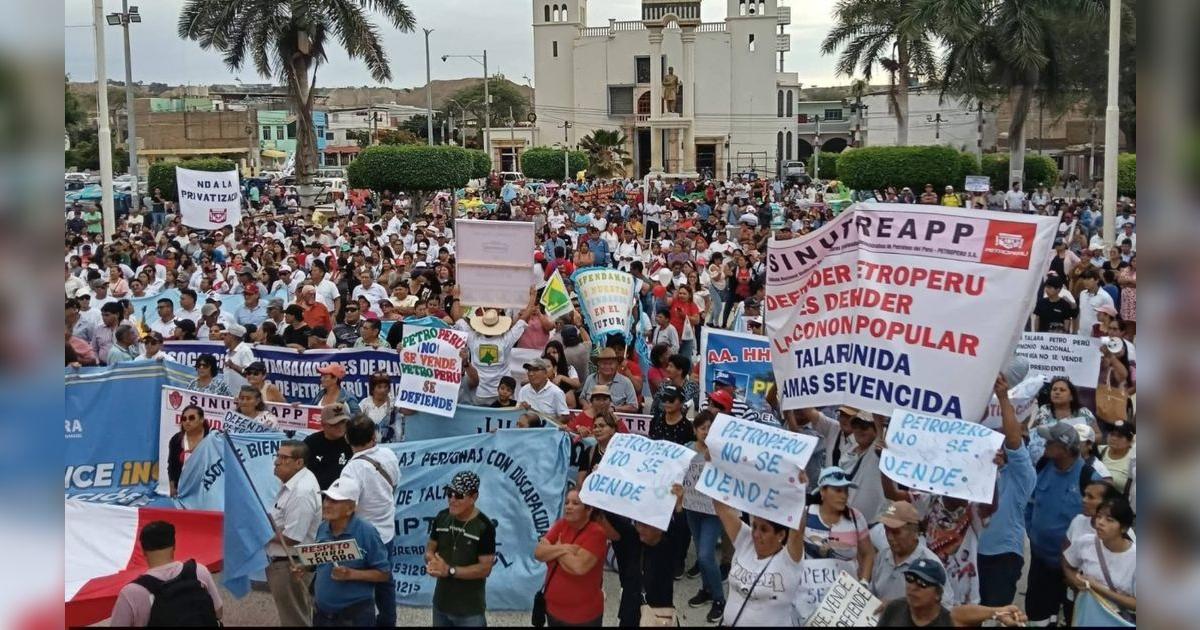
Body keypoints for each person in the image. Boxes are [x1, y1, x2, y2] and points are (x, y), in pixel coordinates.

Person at [1025, 422, 1102, 625]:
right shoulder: (1042, 466)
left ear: (1065, 448)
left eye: (1051, 441)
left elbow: (1100, 519)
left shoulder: (1089, 477)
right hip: (1040, 559)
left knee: (1071, 617)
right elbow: (1030, 504)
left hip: (1072, 566)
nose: (1046, 444)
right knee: (1036, 614)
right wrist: (1032, 533)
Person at [713, 471, 807, 626]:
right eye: (754, 526)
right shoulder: (745, 541)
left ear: (781, 535)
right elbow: (722, 509)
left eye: (764, 529)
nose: (755, 534)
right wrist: (716, 466)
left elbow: (798, 531)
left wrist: (799, 490)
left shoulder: (789, 560)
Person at [977, 375, 1036, 607]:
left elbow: (1013, 439)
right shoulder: (979, 473)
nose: (1002, 447)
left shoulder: (1022, 475)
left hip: (1003, 556)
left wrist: (1003, 398)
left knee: (996, 614)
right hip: (971, 553)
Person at [338, 415, 402, 627]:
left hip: (363, 539)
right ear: (374, 435)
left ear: (347, 439)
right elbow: (396, 482)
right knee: (385, 581)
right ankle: (388, 622)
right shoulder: (389, 454)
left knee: (360, 585)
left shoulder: (351, 470)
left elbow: (347, 507)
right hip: (387, 532)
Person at [302, 477, 391, 627]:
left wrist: (351, 574)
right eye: (326, 499)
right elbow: (320, 561)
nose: (326, 505)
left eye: (334, 501)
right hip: (321, 615)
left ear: (350, 508)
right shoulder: (323, 528)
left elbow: (384, 574)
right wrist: (303, 567)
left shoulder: (367, 532)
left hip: (355, 618)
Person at [110, 521, 222, 626]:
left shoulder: (132, 592)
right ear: (174, 546)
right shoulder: (198, 571)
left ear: (144, 551)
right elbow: (218, 612)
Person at [425, 470, 496, 627]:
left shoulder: (484, 527)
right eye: (449, 493)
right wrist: (432, 562)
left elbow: (485, 569)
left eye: (458, 495)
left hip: (470, 610)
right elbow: (430, 549)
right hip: (440, 605)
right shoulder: (441, 517)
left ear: (474, 497)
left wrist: (449, 571)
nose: (452, 499)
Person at [875, 558, 1026, 627]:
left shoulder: (948, 620)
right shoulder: (894, 609)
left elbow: (962, 613)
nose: (913, 587)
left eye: (922, 583)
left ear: (938, 594)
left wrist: (999, 613)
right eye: (910, 578)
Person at [533, 489, 608, 626]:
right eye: (567, 502)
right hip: (553, 611)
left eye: (575, 503)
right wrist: (564, 548)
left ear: (589, 509)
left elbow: (578, 567)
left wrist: (554, 549)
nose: (568, 506)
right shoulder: (561, 524)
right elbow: (538, 552)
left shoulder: (596, 533)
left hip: (583, 617)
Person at [267, 440, 321, 628]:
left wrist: (260, 533)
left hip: (291, 565)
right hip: (287, 562)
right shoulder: (295, 483)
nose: (277, 462)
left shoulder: (301, 492)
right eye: (277, 456)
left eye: (284, 458)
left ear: (299, 463)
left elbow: (292, 537)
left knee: (294, 620)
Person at [679, 411, 727, 622]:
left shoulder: (722, 453)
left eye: (710, 428)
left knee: (707, 555)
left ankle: (719, 599)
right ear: (695, 430)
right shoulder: (687, 451)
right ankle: (706, 589)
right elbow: (678, 474)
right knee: (700, 553)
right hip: (692, 509)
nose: (706, 432)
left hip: (712, 512)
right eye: (702, 428)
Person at [870, 500, 958, 607]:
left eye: (896, 532)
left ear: (914, 532)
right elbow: (873, 593)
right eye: (886, 530)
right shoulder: (883, 556)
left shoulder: (930, 564)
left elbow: (945, 606)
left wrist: (899, 609)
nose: (889, 537)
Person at [453, 293, 535, 405]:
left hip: (479, 394)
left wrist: (457, 297)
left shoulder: (473, 338)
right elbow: (524, 319)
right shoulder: (506, 340)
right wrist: (533, 296)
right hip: (502, 395)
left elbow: (457, 318)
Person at [1062, 496, 1137, 618]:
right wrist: (1075, 581)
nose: (1100, 522)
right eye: (1099, 516)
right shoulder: (1086, 542)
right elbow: (1067, 564)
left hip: (1117, 620)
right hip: (1085, 615)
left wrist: (1095, 586)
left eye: (1109, 519)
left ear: (1124, 528)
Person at [1027, 376, 1100, 462]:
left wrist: (1082, 441)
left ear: (1071, 397)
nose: (1057, 392)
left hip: (1076, 458)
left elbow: (1098, 435)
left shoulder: (1083, 413)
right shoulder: (1044, 410)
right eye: (1054, 389)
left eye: (1062, 390)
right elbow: (1033, 433)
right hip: (1047, 458)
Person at [304, 403, 355, 490]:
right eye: (335, 424)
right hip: (317, 494)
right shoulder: (311, 442)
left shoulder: (352, 442)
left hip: (344, 495)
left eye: (343, 422)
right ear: (323, 424)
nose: (340, 427)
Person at [578, 347, 639, 413]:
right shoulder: (590, 378)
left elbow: (634, 406)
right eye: (604, 363)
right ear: (598, 364)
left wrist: (614, 409)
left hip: (615, 420)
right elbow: (582, 398)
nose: (607, 367)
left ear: (616, 364)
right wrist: (585, 405)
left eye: (610, 364)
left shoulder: (626, 382)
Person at [167, 405, 209, 498]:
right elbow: (172, 466)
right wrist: (172, 487)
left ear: (201, 419)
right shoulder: (176, 440)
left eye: (191, 418)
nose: (187, 421)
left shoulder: (213, 438)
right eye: (184, 418)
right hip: (183, 490)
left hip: (207, 489)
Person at [516, 358, 571, 425]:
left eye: (535, 370)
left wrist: (546, 424)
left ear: (545, 373)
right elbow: (517, 413)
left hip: (547, 433)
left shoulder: (556, 392)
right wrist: (520, 409)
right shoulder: (523, 390)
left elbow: (565, 417)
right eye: (529, 370)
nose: (531, 374)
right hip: (526, 432)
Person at [360, 372, 404, 443]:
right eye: (379, 387)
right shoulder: (364, 404)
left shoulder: (395, 403)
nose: (383, 390)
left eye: (385, 386)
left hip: (394, 447)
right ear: (372, 389)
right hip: (371, 447)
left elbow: (408, 413)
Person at [1099, 420, 1135, 496]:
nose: (1114, 438)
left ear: (1130, 441)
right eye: (1112, 434)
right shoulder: (1099, 451)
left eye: (1120, 436)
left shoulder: (1134, 460)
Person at [221, 322, 255, 393]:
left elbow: (251, 374)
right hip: (228, 394)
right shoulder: (228, 351)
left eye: (225, 335)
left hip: (242, 396)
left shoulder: (245, 351)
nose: (223, 337)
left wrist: (233, 366)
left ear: (232, 336)